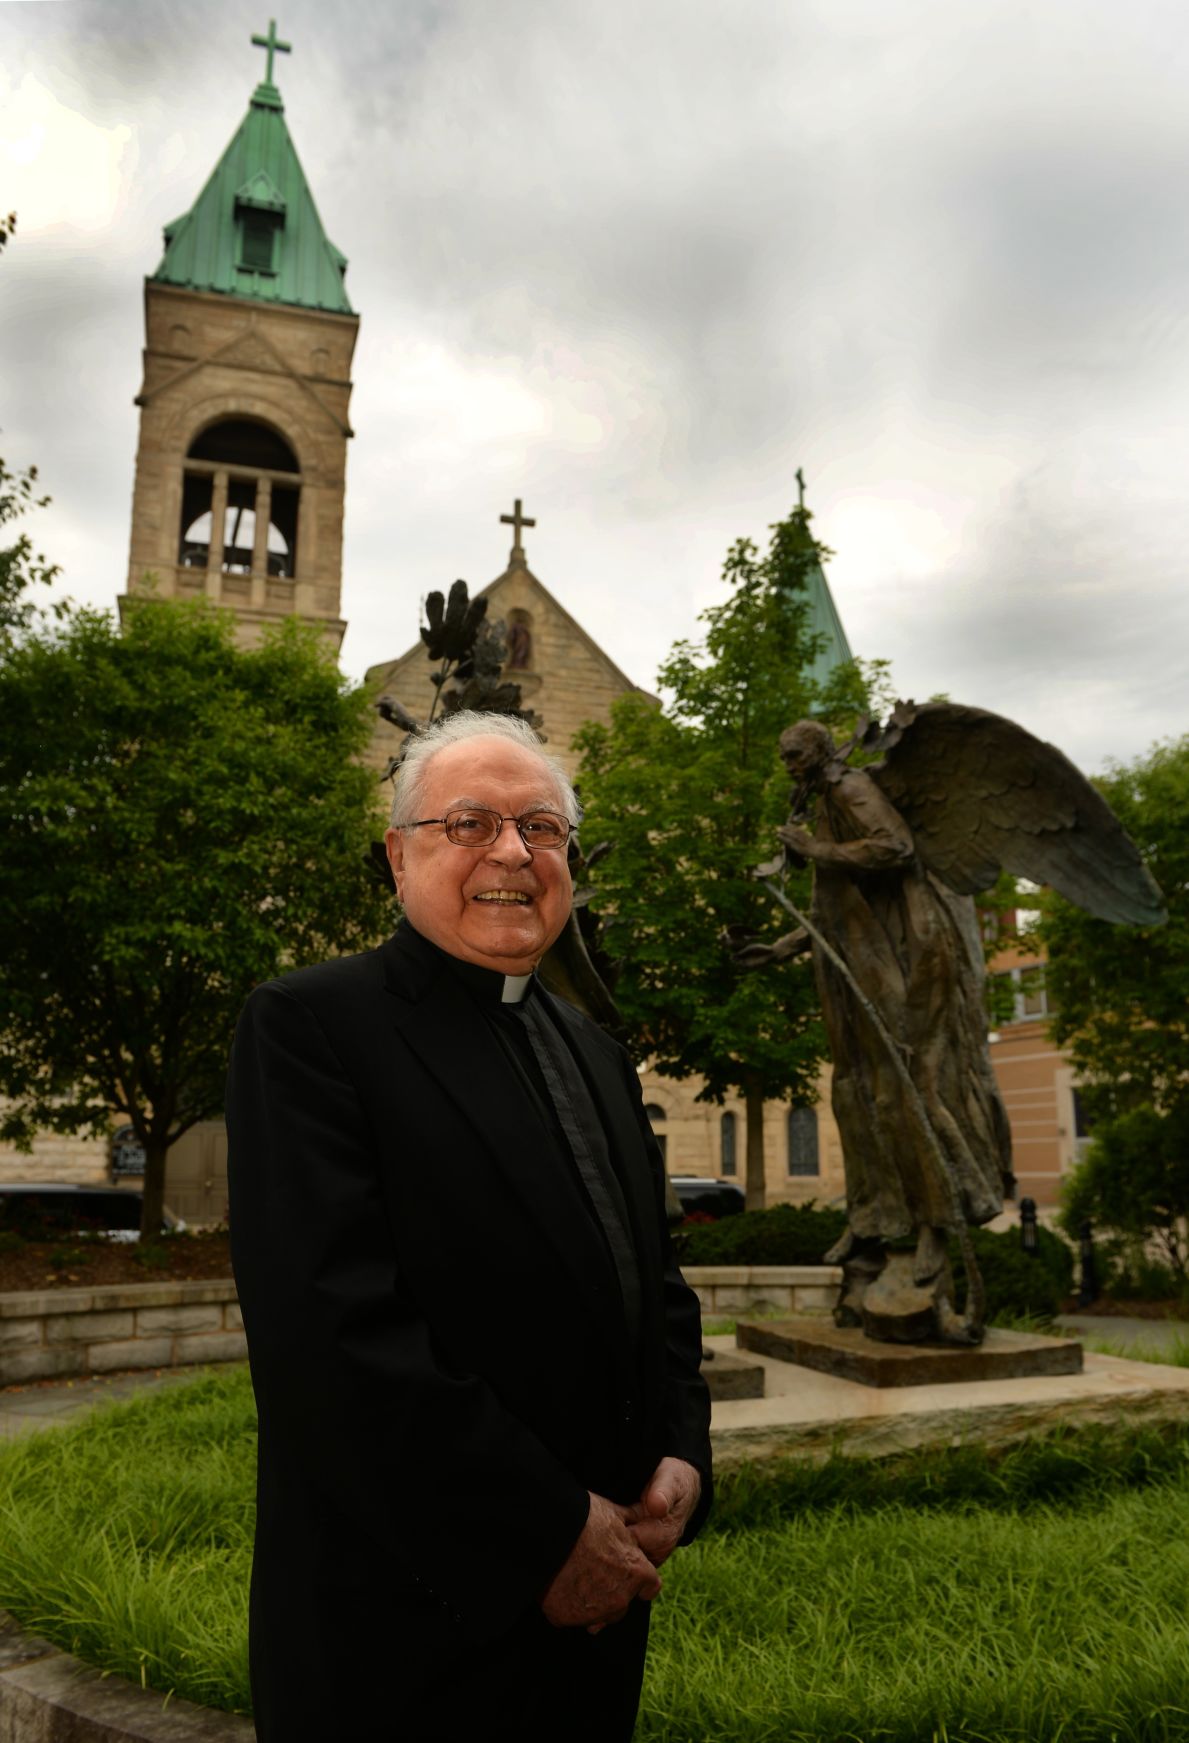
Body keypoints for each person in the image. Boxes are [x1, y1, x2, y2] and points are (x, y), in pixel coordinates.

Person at [227, 710, 712, 1742]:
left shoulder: (591, 1047)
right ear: (398, 858)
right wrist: (545, 1534)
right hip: (409, 1630)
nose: (511, 852)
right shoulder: (313, 1027)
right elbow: (332, 1335)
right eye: (469, 823)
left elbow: (653, 1281)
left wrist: (682, 1452)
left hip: (601, 1614)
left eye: (541, 828)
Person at [737, 719, 1011, 1289]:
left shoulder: (850, 788)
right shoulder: (820, 799)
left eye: (794, 754)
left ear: (817, 752)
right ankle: (872, 1219)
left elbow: (897, 847)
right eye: (782, 756)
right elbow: (839, 902)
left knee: (905, 1093)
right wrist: (784, 946)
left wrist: (817, 849)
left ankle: (938, 1221)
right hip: (858, 955)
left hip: (906, 958)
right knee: (852, 1091)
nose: (787, 764)